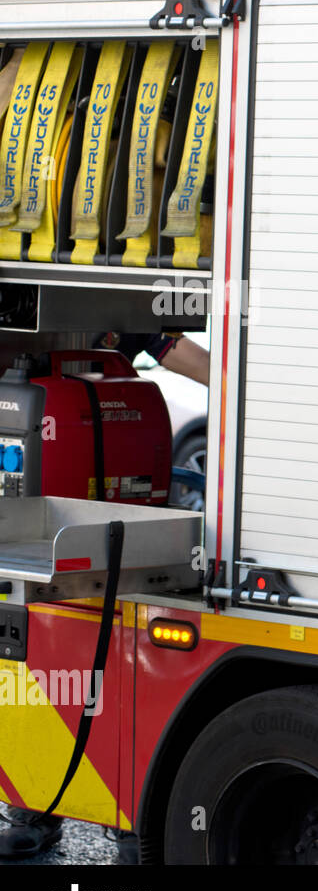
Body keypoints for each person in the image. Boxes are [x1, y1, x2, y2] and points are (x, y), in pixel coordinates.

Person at [0, 331, 210, 861]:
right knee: (32, 677)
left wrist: (262, 389)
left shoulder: (117, 320)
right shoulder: (21, 318)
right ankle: (31, 806)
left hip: (117, 542)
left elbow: (186, 357)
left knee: (125, 685)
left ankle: (128, 825)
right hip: (31, 534)